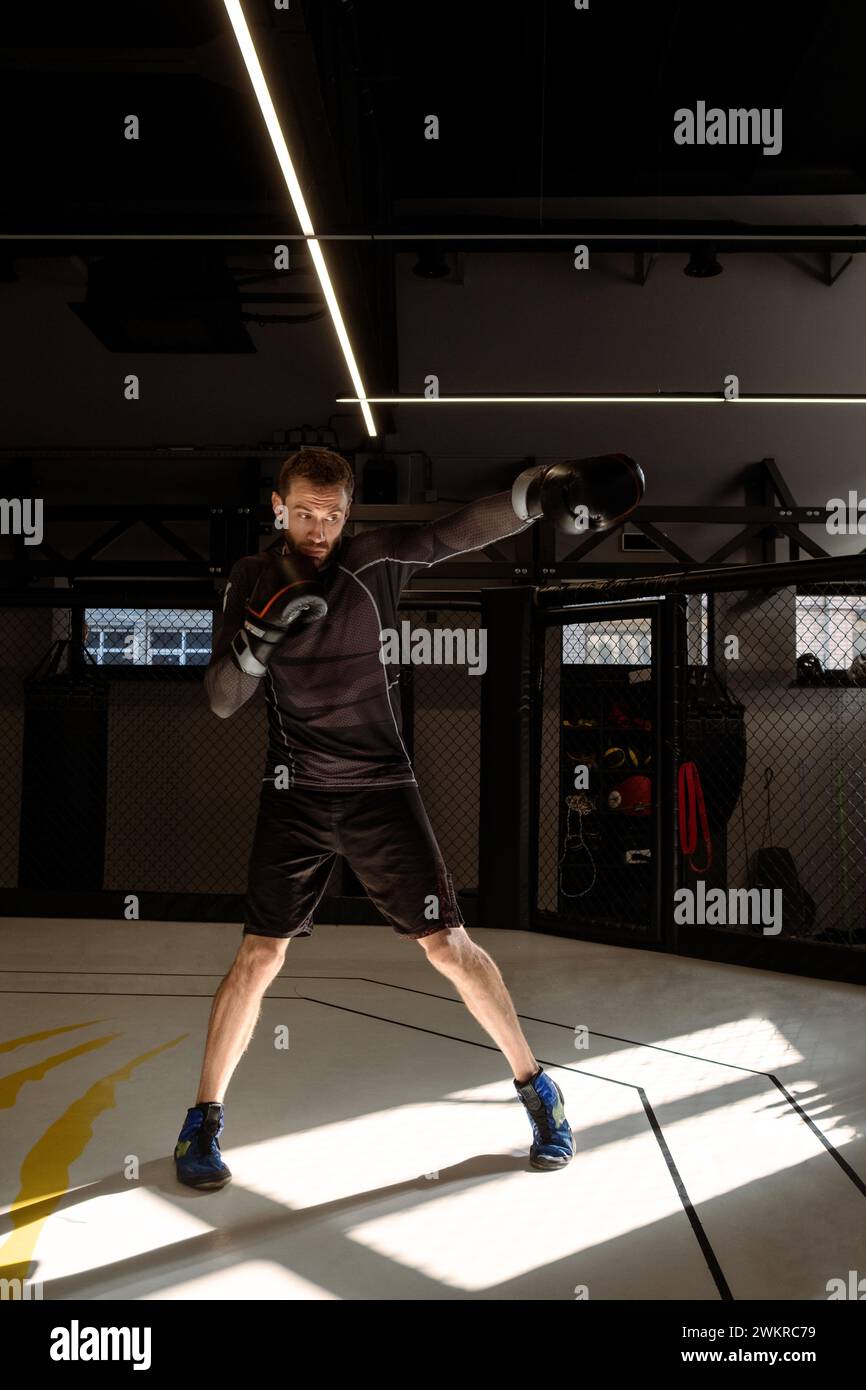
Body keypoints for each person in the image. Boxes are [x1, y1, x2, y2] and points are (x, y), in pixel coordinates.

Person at [174, 446, 644, 1188]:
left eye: (331, 516)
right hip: (294, 791)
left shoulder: (374, 561)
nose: (318, 529)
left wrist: (536, 495)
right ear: (277, 507)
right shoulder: (253, 578)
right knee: (260, 957)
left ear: (348, 513)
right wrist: (260, 639)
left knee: (449, 946)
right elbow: (223, 698)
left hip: (381, 788)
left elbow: (457, 531)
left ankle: (538, 1090)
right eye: (303, 514)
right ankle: (202, 1123)